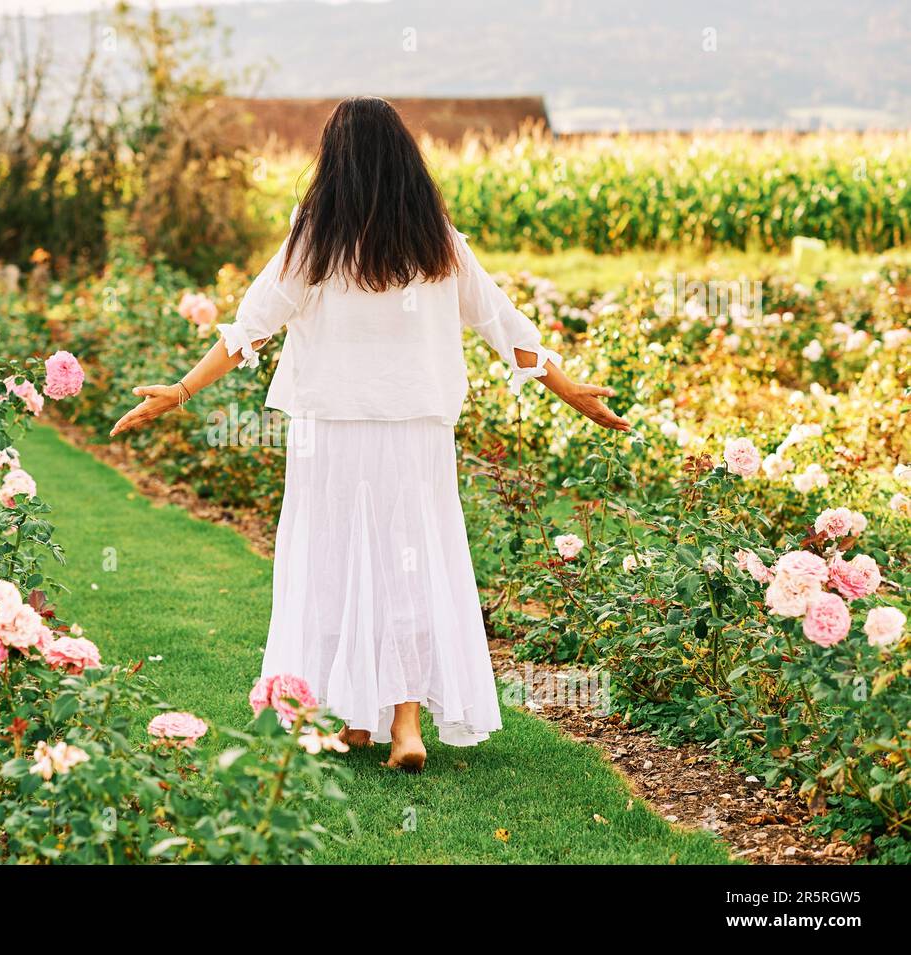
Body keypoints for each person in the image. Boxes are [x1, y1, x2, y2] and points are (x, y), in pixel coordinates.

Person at [112, 96, 630, 771]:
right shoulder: (435, 237)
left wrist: (179, 391)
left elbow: (250, 330)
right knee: (409, 564)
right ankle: (399, 725)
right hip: (415, 434)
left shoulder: (316, 236)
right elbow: (505, 327)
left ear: (335, 162)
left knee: (331, 564)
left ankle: (351, 716)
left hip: (331, 431)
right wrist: (572, 391)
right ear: (404, 159)